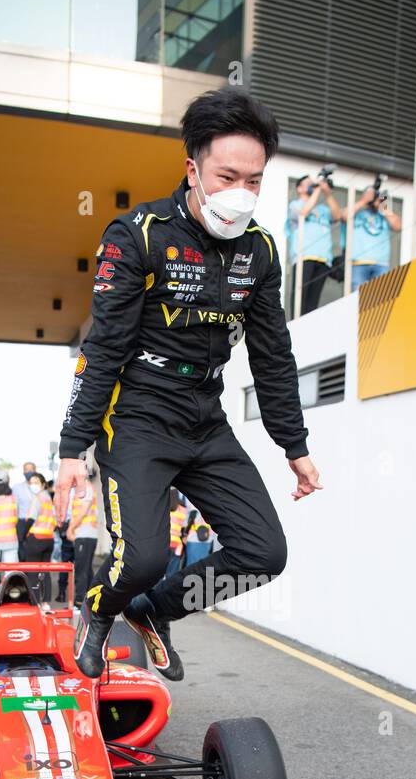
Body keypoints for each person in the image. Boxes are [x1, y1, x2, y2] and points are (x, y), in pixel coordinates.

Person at [55, 84, 322, 680]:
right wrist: (73, 447)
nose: (242, 192)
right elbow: (103, 349)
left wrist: (294, 447)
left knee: (263, 554)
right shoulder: (138, 235)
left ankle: (155, 612)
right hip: (139, 414)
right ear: (193, 169)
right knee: (142, 558)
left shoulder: (261, 251)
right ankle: (100, 611)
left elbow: (272, 354)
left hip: (205, 413)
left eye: (254, 181)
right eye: (228, 176)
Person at [286, 172, 344, 316]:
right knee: (299, 301)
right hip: (304, 257)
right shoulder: (295, 205)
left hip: (324, 258)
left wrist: (328, 194)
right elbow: (303, 213)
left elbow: (337, 216)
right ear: (299, 188)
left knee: (312, 303)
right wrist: (317, 190)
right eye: (308, 182)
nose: (312, 184)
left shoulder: (322, 209)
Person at [0, 468, 29, 604]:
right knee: (9, 573)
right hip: (10, 539)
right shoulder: (13, 500)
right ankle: (8, 601)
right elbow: (16, 519)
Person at [350, 185, 402, 287]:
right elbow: (343, 216)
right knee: (357, 298)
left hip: (381, 264)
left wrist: (383, 206)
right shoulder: (358, 213)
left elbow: (398, 226)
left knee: (380, 299)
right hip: (359, 263)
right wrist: (364, 201)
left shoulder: (383, 215)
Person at [65, 466, 98, 610]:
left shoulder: (86, 488)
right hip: (86, 534)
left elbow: (83, 511)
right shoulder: (82, 488)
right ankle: (90, 601)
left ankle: (79, 601)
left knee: (81, 569)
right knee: (87, 569)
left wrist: (71, 528)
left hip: (85, 534)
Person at [23, 471, 55, 604]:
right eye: (31, 483)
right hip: (49, 538)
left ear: (43, 484)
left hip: (36, 538)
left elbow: (30, 519)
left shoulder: (37, 498)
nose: (33, 485)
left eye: (36, 482)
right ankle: (46, 602)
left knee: (32, 572)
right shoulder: (48, 498)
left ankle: (34, 601)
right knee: (45, 571)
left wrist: (24, 534)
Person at [13, 461, 38, 557]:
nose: (28, 471)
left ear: (35, 471)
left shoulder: (40, 487)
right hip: (22, 522)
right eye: (26, 469)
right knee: (22, 551)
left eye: (31, 469)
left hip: (37, 522)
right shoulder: (17, 487)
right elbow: (15, 507)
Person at [165, 489, 189, 576]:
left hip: (166, 543)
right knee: (171, 574)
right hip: (177, 545)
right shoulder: (184, 510)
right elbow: (184, 529)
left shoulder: (166, 510)